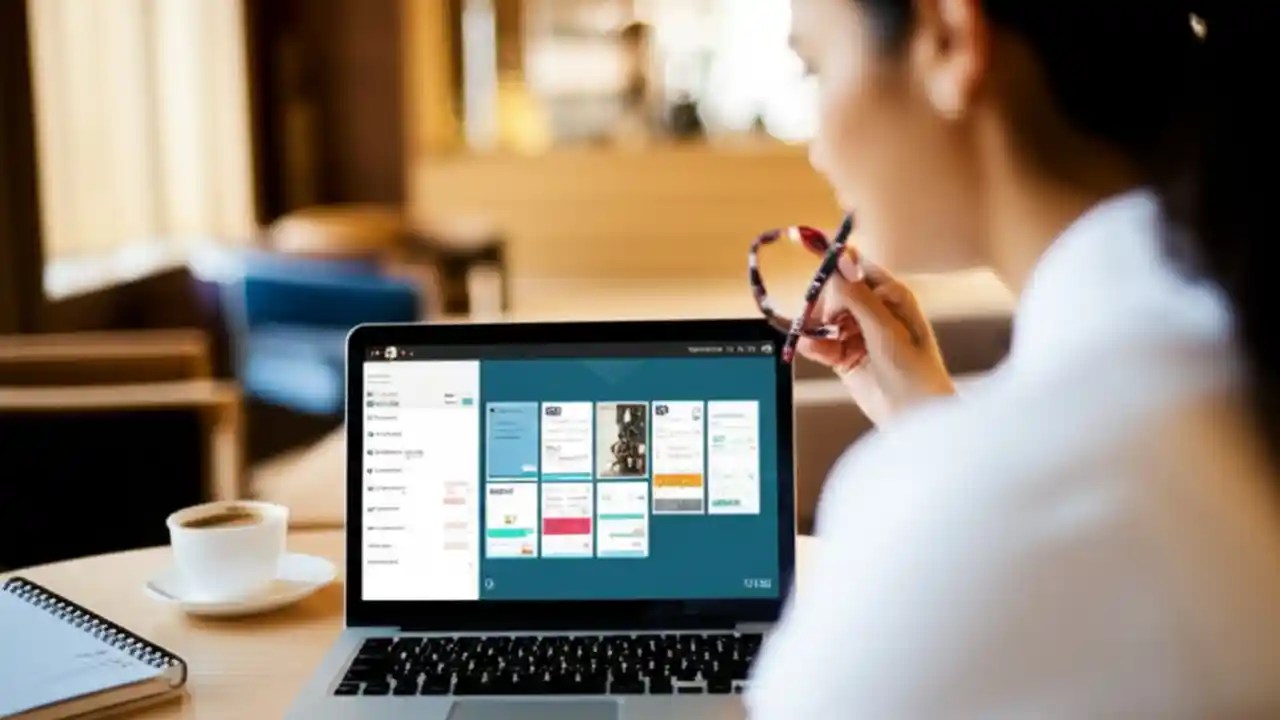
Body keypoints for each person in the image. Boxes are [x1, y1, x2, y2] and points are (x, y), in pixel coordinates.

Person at [747, 1, 1280, 717]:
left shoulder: (967, 509)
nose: (815, 146)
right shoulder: (1218, 340)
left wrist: (939, 468)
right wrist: (926, 419)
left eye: (815, 67)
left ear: (948, 40)